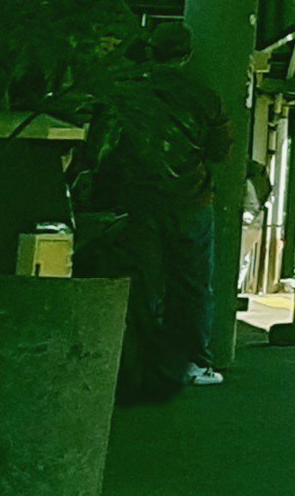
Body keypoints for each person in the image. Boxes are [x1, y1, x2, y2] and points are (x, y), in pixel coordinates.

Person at [95, 20, 238, 400]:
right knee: (192, 285)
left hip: (140, 201)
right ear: (187, 56)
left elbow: (108, 149)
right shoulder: (207, 99)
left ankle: (135, 360)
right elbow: (220, 152)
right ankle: (194, 362)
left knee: (143, 282)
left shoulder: (129, 94)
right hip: (192, 201)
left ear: (151, 52)